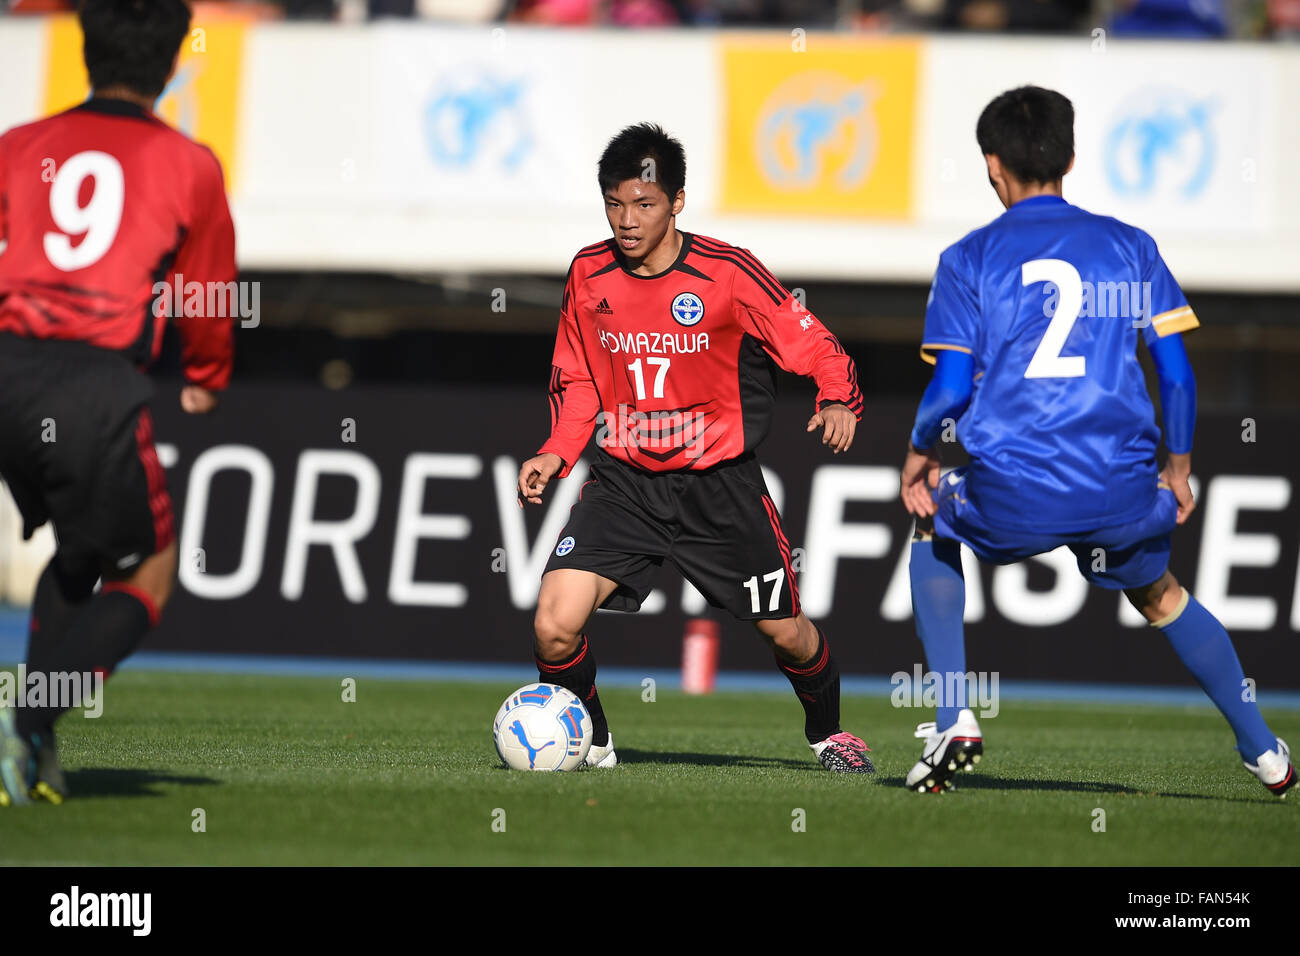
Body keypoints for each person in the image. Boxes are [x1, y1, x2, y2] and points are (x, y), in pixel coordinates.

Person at [899, 85, 1294, 798]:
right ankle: (1264, 751)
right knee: (1163, 594)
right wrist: (1178, 469)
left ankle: (954, 715)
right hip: (1118, 484)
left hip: (1014, 487)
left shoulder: (968, 259)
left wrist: (921, 452)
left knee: (931, 520)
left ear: (994, 166)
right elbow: (1175, 372)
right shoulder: (1129, 246)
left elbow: (951, 391)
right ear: (1071, 158)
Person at [517, 123, 873, 773]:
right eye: (614, 203)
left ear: (677, 201)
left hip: (719, 489)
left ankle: (830, 736)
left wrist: (836, 399)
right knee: (553, 622)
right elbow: (580, 380)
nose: (627, 220)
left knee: (787, 634)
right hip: (624, 483)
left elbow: (814, 345)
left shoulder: (727, 273)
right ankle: (591, 740)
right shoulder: (588, 274)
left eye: (644, 204)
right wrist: (556, 451)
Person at [0, 0, 236, 806]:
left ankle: (33, 757)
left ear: (85, 53)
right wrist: (208, 373)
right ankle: (27, 718)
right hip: (92, 379)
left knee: (77, 552)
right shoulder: (188, 163)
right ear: (173, 61)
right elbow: (206, 292)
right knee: (151, 571)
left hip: (7, 368)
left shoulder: (20, 147)